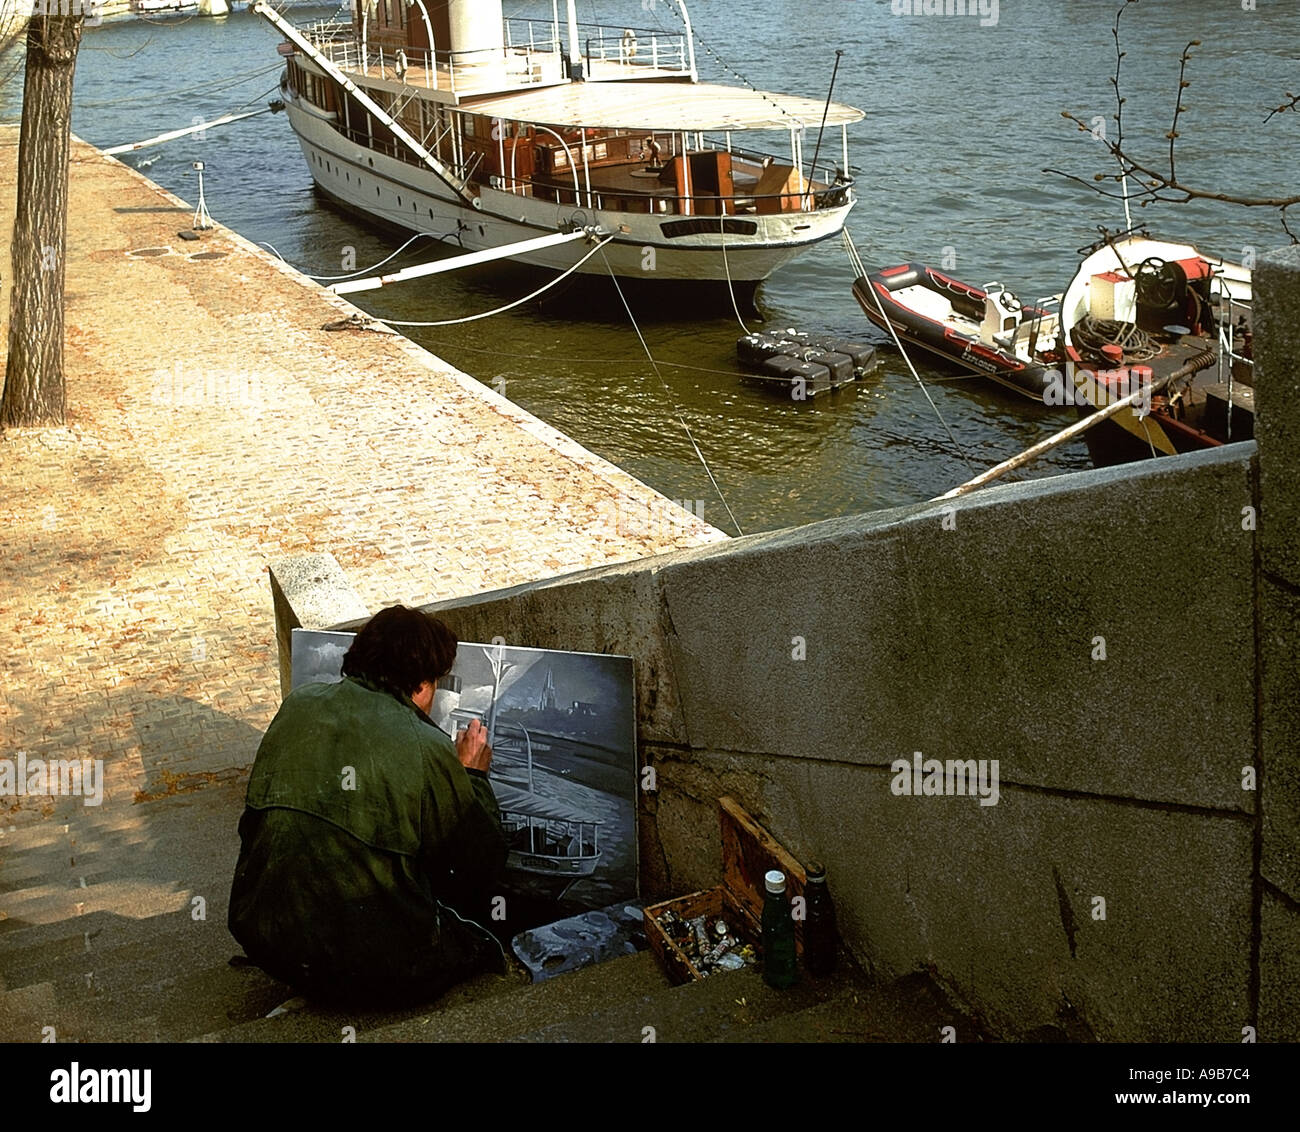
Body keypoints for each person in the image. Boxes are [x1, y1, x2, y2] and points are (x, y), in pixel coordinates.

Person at [228, 605, 508, 1006]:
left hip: (265, 939)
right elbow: (479, 866)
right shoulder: (425, 745)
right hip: (382, 970)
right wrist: (472, 777)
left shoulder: (298, 704)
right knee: (476, 932)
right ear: (423, 685)